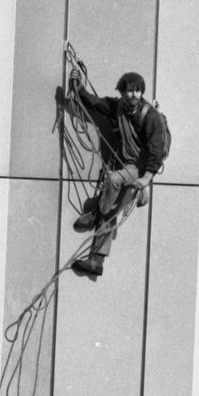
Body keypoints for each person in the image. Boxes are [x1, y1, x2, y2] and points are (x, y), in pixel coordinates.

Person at [64, 69, 168, 278]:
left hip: (138, 169)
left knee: (113, 183)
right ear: (122, 92)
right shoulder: (117, 108)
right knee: (111, 207)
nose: (134, 95)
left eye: (138, 90)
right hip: (123, 164)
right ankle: (96, 262)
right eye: (130, 91)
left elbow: (156, 150)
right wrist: (76, 85)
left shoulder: (150, 116)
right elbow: (95, 102)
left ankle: (96, 214)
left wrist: (146, 179)